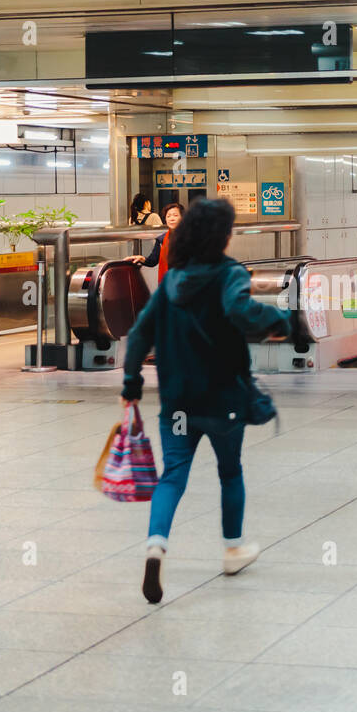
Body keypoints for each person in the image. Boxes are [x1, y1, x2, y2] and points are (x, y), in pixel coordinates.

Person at [121, 199, 292, 604]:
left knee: (173, 475)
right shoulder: (229, 272)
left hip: (178, 400)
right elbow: (238, 308)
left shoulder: (172, 280)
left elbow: (141, 333)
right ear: (222, 235)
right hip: (222, 398)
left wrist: (130, 383)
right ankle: (233, 549)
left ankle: (156, 545)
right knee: (229, 471)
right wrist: (280, 323)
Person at [124, 201, 183, 282]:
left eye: (175, 215)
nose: (171, 218)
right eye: (168, 216)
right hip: (168, 284)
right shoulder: (161, 239)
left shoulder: (190, 238)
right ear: (165, 219)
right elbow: (153, 261)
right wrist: (141, 258)